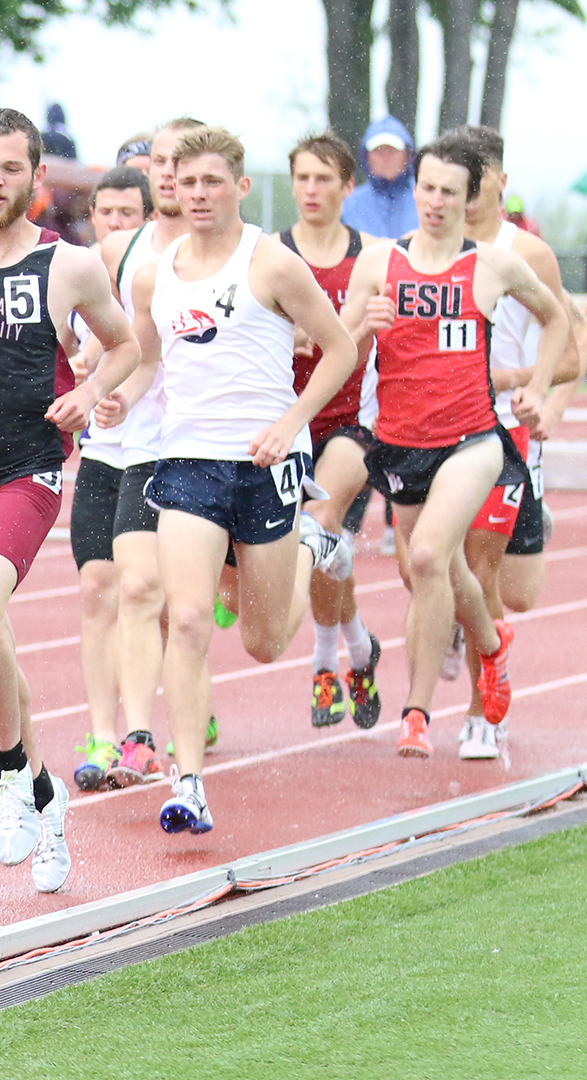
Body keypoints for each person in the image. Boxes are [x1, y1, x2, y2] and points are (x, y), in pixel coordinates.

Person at [106, 126, 359, 834]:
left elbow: (338, 348)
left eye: (212, 182)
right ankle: (189, 781)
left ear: (241, 187)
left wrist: (293, 421)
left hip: (267, 461)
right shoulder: (156, 275)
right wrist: (122, 397)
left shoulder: (271, 263)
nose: (198, 195)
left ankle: (313, 544)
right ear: (171, 189)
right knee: (185, 617)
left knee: (264, 641)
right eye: (186, 183)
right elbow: (149, 360)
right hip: (187, 460)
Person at [0, 108, 138, 888]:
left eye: (12, 168)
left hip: (25, 468)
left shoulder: (67, 265)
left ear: (36, 176)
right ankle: (44, 795)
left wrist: (92, 392)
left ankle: (8, 769)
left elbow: (127, 343)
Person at [341, 136, 570, 758]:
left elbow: (561, 325)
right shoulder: (381, 261)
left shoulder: (504, 261)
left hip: (483, 435)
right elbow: (339, 351)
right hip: (403, 440)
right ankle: (487, 647)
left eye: (450, 190)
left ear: (477, 193)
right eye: (427, 188)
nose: (436, 201)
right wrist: (364, 328)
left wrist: (539, 389)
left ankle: (438, 714)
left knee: (448, 564)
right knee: (436, 572)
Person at [443, 125, 580, 760]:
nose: (464, 195)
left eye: (476, 179)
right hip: (442, 429)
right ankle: (481, 713)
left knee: (515, 592)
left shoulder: (528, 254)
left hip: (511, 429)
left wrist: (532, 389)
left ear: (498, 180)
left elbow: (571, 356)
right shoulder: (424, 251)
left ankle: (467, 617)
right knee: (472, 569)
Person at [94, 118, 202, 788]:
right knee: (137, 586)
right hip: (144, 444)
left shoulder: (245, 255)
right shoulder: (125, 256)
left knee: (244, 624)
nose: (167, 174)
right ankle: (137, 736)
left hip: (217, 448)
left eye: (182, 164)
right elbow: (128, 349)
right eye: (159, 162)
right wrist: (110, 392)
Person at [272, 132, 383, 731]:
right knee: (327, 553)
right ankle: (360, 647)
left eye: (324, 178)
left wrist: (358, 332)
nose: (311, 189)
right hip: (287, 425)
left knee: (319, 528)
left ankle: (321, 663)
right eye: (303, 178)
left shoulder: (372, 256)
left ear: (348, 186)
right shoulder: (271, 254)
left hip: (353, 424)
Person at [69, 164, 151, 792]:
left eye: (130, 214)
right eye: (107, 214)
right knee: (98, 589)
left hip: (155, 453)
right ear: (92, 216)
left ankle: (147, 729)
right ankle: (102, 731)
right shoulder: (73, 276)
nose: (117, 224)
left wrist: (107, 367)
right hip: (100, 455)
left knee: (144, 596)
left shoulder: (159, 275)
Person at [341, 116, 417, 239]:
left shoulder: (427, 198)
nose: (386, 157)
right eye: (378, 151)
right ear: (366, 158)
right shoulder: (348, 206)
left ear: (408, 155)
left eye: (393, 150)